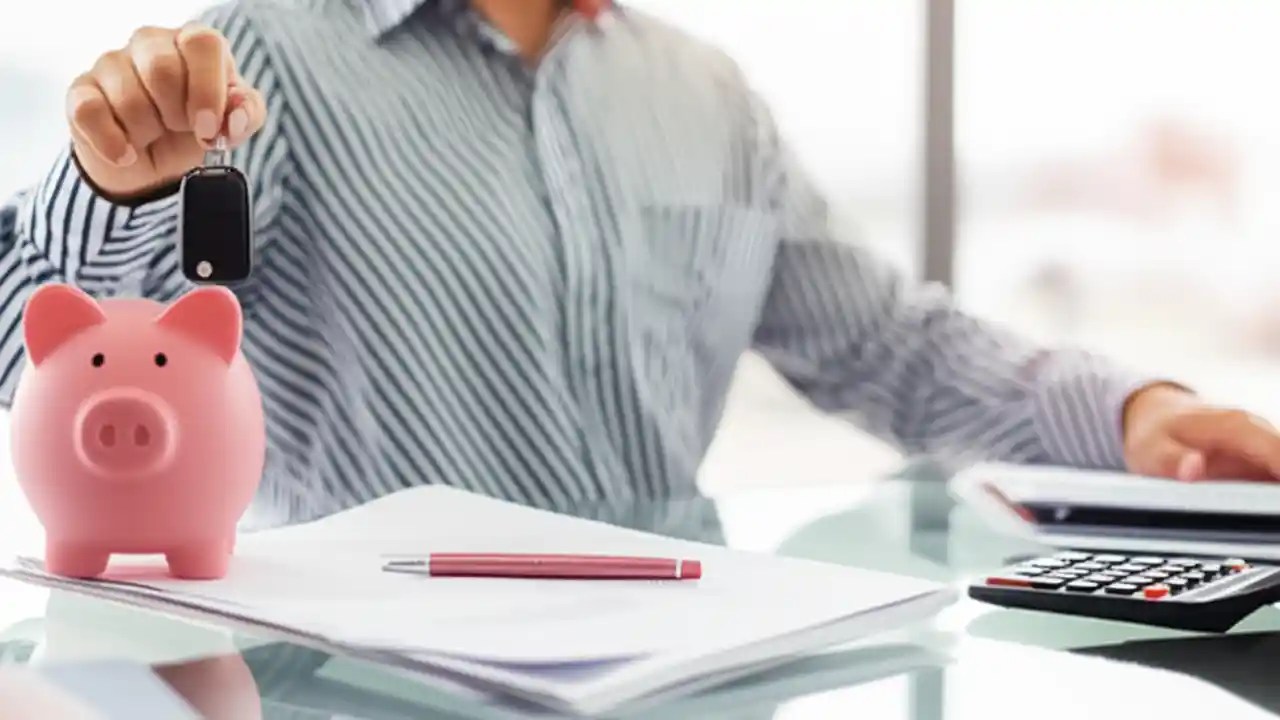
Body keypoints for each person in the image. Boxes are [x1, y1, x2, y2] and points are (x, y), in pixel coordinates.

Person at [1, 0, 1278, 527]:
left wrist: (1136, 415)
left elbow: (888, 344)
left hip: (690, 670)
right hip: (357, 692)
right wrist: (120, 184)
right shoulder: (259, 52)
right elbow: (36, 358)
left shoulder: (701, 92)